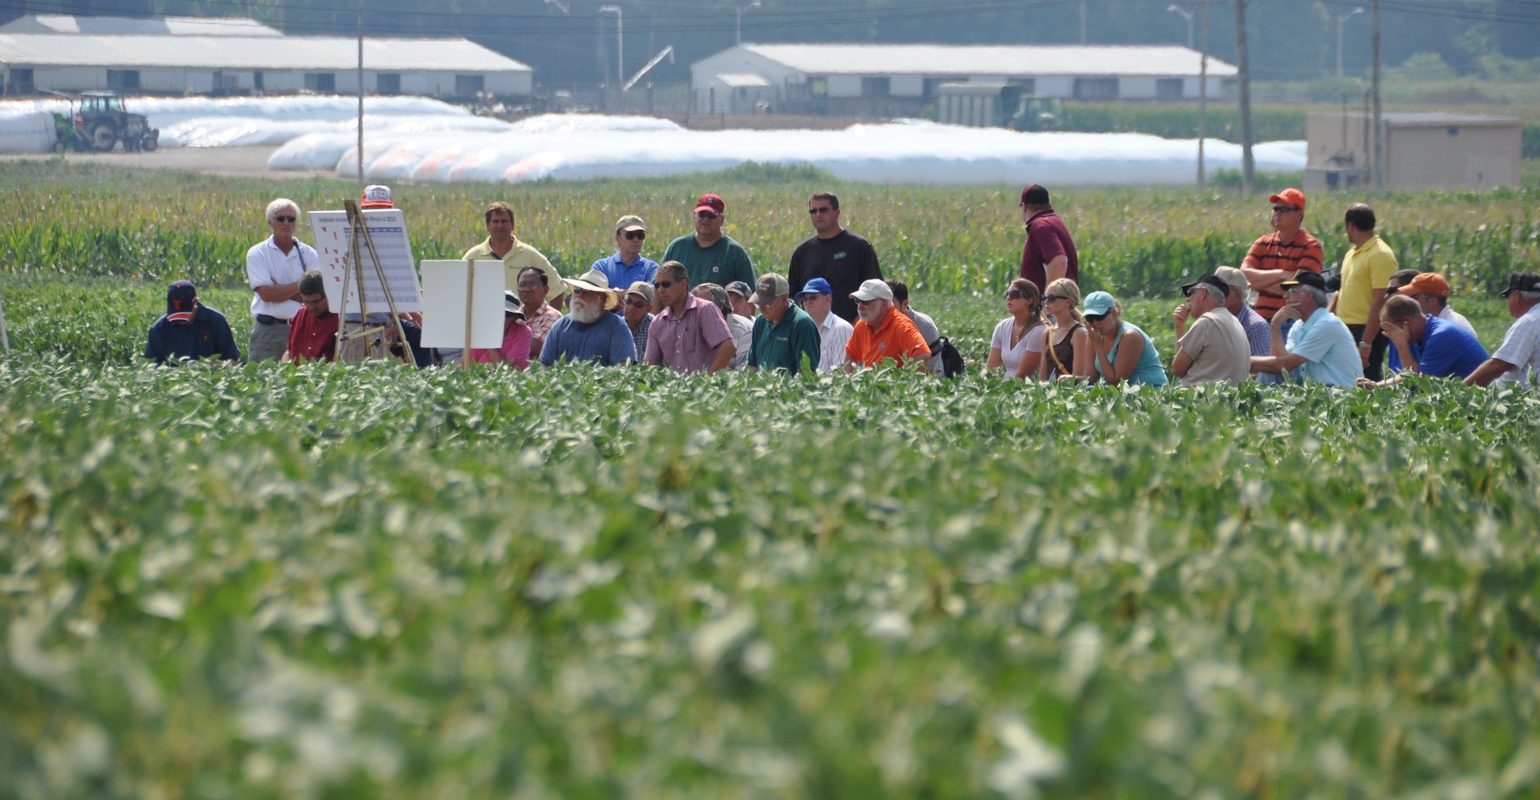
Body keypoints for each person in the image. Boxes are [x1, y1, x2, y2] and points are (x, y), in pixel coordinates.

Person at [1249, 271, 1363, 387]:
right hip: (1319, 390)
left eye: (1292, 291)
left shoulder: (1326, 324)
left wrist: (1243, 361)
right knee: (1270, 373)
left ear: (1308, 295)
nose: (1285, 296)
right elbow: (1282, 362)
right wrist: (1275, 326)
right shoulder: (1299, 325)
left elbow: (1285, 365)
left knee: (1269, 373)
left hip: (1340, 394)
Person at [786, 192, 884, 323]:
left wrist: (859, 324)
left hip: (853, 330)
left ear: (837, 213)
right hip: (813, 333)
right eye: (813, 211)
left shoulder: (859, 247)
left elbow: (876, 291)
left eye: (823, 210)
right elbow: (793, 297)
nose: (818, 214)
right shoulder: (802, 252)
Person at [1356, 295, 1487, 388]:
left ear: (1407, 322)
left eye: (1391, 330)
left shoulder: (1441, 335)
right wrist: (1377, 386)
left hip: (1479, 398)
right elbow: (1411, 373)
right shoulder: (1417, 336)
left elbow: (1419, 382)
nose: (1390, 336)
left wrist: (1401, 345)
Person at [245, 198, 318, 363]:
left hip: (303, 328)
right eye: (280, 218)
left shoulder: (309, 254)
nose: (286, 223)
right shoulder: (258, 253)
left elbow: (319, 296)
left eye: (291, 219)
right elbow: (266, 294)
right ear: (270, 222)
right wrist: (303, 287)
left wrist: (279, 289)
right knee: (262, 381)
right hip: (269, 330)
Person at [1334, 203, 1397, 381]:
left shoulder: (1380, 254)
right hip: (1347, 329)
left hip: (1366, 331)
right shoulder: (1352, 253)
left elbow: (1381, 300)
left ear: (1351, 225)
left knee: (1366, 381)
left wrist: (1366, 342)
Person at [1240, 188, 1324, 323]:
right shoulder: (1262, 243)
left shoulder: (1311, 247)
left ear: (1299, 214)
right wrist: (1282, 274)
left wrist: (1257, 284)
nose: (1277, 213)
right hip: (1259, 322)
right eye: (1276, 209)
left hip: (1290, 323)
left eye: (1284, 209)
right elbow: (1244, 277)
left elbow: (1300, 290)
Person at [464, 201, 567, 311]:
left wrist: (548, 323)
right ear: (487, 225)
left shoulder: (530, 255)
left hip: (522, 326)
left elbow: (557, 291)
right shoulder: (473, 256)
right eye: (495, 221)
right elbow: (458, 292)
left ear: (512, 225)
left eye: (504, 221)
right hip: (484, 324)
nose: (500, 226)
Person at [644, 261, 736, 375]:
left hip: (705, 390)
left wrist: (709, 382)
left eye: (666, 284)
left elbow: (728, 347)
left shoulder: (704, 310)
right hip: (675, 390)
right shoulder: (657, 322)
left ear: (683, 284)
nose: (661, 290)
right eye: (657, 285)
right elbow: (650, 365)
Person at [539, 268, 636, 367]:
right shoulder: (560, 326)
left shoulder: (617, 328)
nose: (580, 295)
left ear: (601, 298)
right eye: (577, 290)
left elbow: (623, 370)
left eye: (587, 292)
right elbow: (544, 366)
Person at [1170, 273, 1250, 386]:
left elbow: (1177, 370)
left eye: (1190, 293)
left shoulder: (1206, 322)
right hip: (1230, 399)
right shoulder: (1236, 322)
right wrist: (1180, 326)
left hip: (1203, 401)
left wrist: (1179, 328)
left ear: (1203, 293)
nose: (1187, 299)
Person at [662, 193, 757, 290]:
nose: (706, 219)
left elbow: (750, 293)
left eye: (712, 215)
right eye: (702, 214)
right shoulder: (677, 247)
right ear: (694, 216)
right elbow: (659, 287)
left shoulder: (734, 253)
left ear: (722, 220)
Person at [1464, 272, 1540, 388]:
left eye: (1507, 296)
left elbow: (1499, 365)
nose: (1507, 301)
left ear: (1517, 296)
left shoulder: (1529, 322)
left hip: (1523, 403)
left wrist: (1461, 390)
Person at [144, 280, 240, 365]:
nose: (181, 321)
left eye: (185, 314)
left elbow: (234, 363)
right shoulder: (159, 329)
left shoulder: (216, 321)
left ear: (196, 302)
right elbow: (150, 368)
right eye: (176, 314)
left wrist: (218, 365)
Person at [1083, 291, 1168, 387]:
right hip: (1123, 395)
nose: (1094, 323)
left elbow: (1116, 382)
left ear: (1114, 313)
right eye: (1089, 318)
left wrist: (1098, 345)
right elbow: (1091, 377)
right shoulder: (1094, 336)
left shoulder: (1130, 335)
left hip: (1149, 393)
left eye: (1099, 317)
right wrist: (1070, 379)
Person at [844, 279, 930, 372]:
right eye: (858, 301)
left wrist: (904, 382)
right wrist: (851, 382)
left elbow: (923, 354)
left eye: (866, 302)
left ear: (884, 304)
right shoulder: (862, 324)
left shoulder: (902, 326)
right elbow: (850, 355)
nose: (860, 307)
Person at [747, 274, 821, 373]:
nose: (761, 308)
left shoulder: (802, 324)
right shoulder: (760, 321)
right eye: (758, 303)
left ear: (783, 299)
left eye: (766, 303)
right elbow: (752, 365)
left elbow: (807, 374)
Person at [1017, 183, 1078, 292]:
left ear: (1024, 207)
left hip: (1048, 306)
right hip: (1060, 304)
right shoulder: (1053, 221)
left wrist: (1048, 299)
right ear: (1048, 204)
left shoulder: (1041, 226)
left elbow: (1059, 261)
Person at [986, 278, 1048, 379]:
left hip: (1029, 390)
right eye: (1007, 294)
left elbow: (1022, 376)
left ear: (1029, 301)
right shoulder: (1002, 327)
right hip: (1005, 387)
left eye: (1014, 294)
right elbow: (991, 369)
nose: (1008, 298)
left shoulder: (1039, 331)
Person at [884, 279, 945, 375]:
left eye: (890, 306)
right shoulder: (873, 324)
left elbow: (934, 373)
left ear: (904, 305)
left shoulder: (925, 327)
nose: (884, 311)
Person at [1038, 278, 1092, 381]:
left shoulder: (1079, 333)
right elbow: (1043, 376)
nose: (1046, 302)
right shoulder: (1048, 333)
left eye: (1051, 298)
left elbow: (1077, 377)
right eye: (1044, 297)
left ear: (1068, 302)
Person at [797, 277, 853, 375]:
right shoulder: (803, 330)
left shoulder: (841, 329)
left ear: (827, 299)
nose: (807, 302)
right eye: (804, 299)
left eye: (813, 298)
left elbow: (843, 375)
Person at [281, 270, 338, 364]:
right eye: (306, 302)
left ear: (328, 295)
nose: (311, 307)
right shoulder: (300, 314)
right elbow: (289, 351)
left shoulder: (339, 318)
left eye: (316, 302)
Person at [466, 291, 532, 370]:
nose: (500, 318)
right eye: (496, 313)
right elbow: (468, 366)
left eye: (506, 314)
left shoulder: (523, 333)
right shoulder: (479, 331)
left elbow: (511, 371)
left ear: (514, 317)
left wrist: (489, 345)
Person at [694, 282, 753, 370]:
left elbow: (744, 376)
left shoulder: (742, 331)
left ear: (718, 308)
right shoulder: (691, 327)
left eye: (701, 307)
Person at [1397, 272, 1476, 336]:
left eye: (1414, 297)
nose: (1410, 301)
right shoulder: (1440, 322)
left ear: (1432, 301)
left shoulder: (1450, 327)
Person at [592, 215, 659, 289]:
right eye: (630, 235)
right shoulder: (601, 267)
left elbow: (655, 293)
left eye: (640, 235)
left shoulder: (651, 268)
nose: (636, 240)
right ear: (618, 239)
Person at [516, 266, 565, 361]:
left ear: (545, 290)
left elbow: (534, 347)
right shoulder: (513, 315)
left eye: (532, 284)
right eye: (522, 285)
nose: (526, 289)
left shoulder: (553, 316)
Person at [622, 281, 655, 362]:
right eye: (628, 302)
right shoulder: (616, 326)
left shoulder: (656, 327)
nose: (631, 307)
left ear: (649, 309)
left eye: (638, 305)